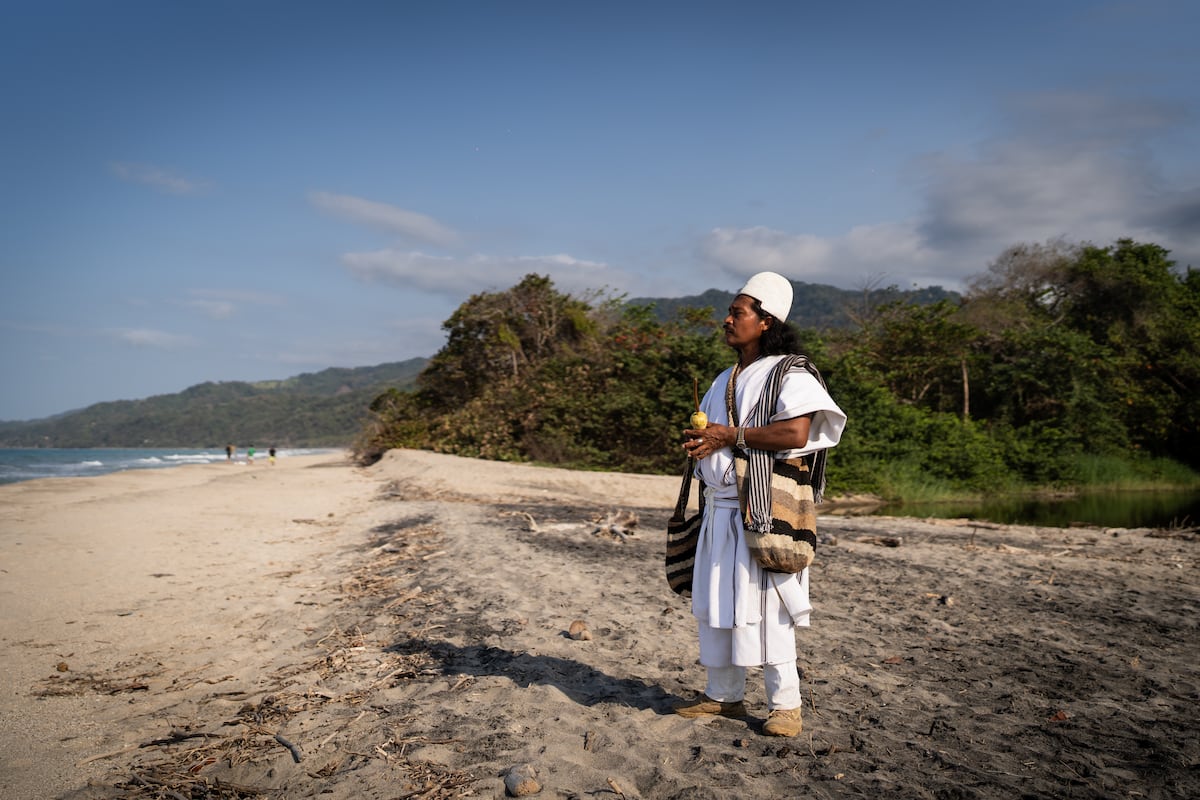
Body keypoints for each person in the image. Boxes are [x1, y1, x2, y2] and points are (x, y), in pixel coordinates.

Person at [676, 271, 846, 737]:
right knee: (717, 602)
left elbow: (795, 433)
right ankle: (723, 697)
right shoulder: (724, 377)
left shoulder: (791, 370)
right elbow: (717, 436)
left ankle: (786, 706)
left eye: (738, 312)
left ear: (766, 321)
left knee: (769, 606)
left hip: (763, 511)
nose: (727, 320)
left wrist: (727, 436)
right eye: (730, 312)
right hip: (720, 509)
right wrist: (703, 443)